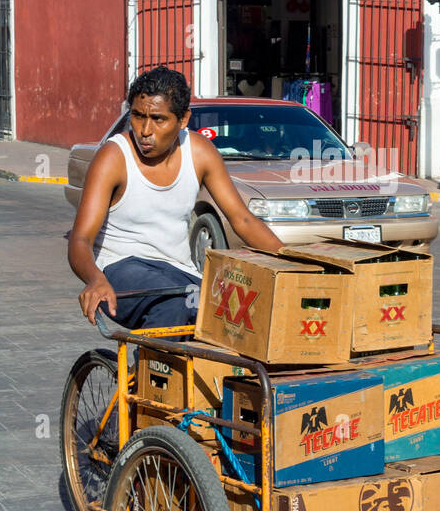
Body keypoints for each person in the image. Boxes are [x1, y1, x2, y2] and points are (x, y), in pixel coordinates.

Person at [68, 66, 283, 329]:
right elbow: (80, 238)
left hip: (178, 272)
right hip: (118, 270)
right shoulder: (113, 158)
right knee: (174, 303)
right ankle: (153, 370)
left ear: (183, 119)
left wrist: (293, 262)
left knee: (241, 313)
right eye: (137, 116)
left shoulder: (199, 152)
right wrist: (94, 279)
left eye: (159, 119)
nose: (145, 130)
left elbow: (243, 220)